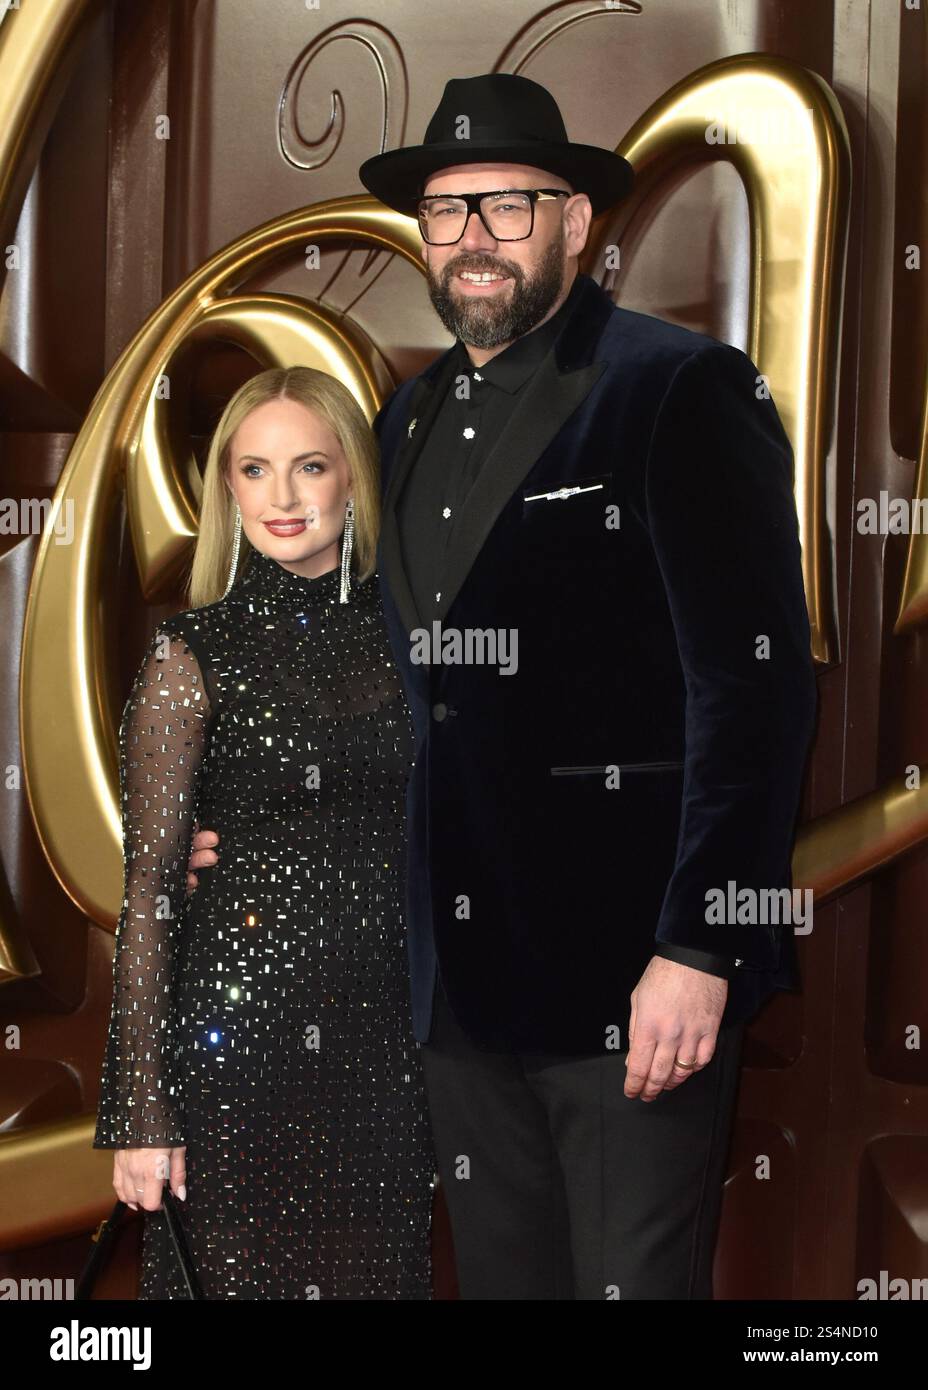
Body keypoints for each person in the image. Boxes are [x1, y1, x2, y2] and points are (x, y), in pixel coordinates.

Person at [190, 73, 819, 1300]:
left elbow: (756, 694)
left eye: (507, 206)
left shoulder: (680, 390)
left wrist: (702, 944)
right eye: (445, 212)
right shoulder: (402, 419)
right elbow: (365, 684)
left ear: (577, 224)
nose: (471, 238)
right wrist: (243, 824)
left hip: (631, 986)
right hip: (450, 997)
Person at [93, 367, 435, 1299]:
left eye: (310, 466)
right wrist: (140, 1110)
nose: (282, 497)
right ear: (227, 490)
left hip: (391, 1059)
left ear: (354, 478)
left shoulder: (419, 644)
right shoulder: (191, 654)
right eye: (254, 470)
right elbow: (152, 893)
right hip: (237, 1052)